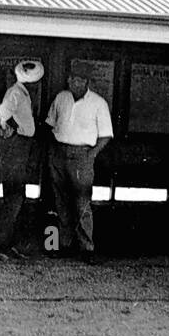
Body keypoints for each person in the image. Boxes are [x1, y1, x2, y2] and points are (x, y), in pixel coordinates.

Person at [45, 64, 113, 263]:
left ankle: (87, 249)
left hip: (82, 155)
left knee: (82, 202)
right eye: (70, 79)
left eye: (77, 79)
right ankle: (64, 245)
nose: (71, 82)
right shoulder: (61, 98)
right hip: (58, 153)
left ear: (86, 82)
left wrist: (90, 155)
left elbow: (106, 135)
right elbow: (50, 124)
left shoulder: (98, 103)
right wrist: (52, 152)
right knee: (61, 200)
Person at [0, 60, 43, 261]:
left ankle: (7, 245)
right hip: (16, 146)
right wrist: (9, 126)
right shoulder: (16, 93)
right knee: (14, 198)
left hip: (20, 145)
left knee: (16, 196)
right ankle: (0, 245)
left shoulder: (21, 93)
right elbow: (2, 112)